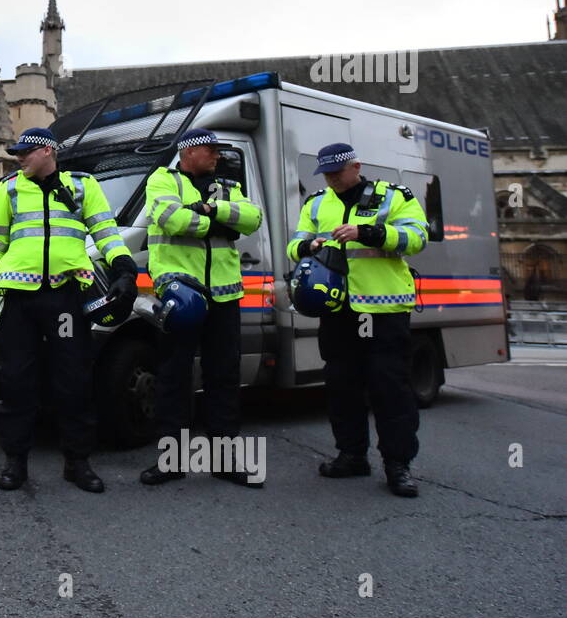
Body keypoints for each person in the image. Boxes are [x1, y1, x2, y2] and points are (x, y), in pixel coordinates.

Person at [0, 127, 139, 493]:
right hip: (20, 300)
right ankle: (15, 462)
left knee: (72, 380)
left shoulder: (82, 186)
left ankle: (77, 462)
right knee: (16, 382)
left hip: (64, 299)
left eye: (25, 153)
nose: (19, 159)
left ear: (48, 151)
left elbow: (105, 231)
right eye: (17, 154)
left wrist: (125, 269)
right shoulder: (10, 188)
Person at [287, 143, 428, 497]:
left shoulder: (393, 196)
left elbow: (417, 237)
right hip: (338, 311)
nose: (333, 179)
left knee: (390, 389)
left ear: (356, 167)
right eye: (327, 174)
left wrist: (368, 233)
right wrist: (309, 248)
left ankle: (398, 465)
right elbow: (294, 244)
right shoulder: (317, 202)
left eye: (338, 171)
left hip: (384, 310)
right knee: (341, 385)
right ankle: (351, 455)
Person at [138, 128, 265, 488]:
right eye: (210, 150)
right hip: (181, 292)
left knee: (223, 377)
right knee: (173, 377)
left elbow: (253, 218)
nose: (216, 156)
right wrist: (221, 223)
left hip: (225, 294)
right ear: (188, 152)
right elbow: (171, 219)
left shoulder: (227, 185)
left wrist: (213, 208)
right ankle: (170, 462)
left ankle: (225, 462)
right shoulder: (162, 179)